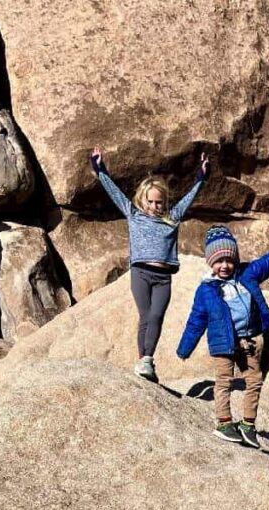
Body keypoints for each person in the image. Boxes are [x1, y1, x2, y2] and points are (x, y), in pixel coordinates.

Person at [90, 147, 209, 382]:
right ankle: (145, 360)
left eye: (159, 202)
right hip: (141, 273)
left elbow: (189, 199)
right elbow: (115, 193)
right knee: (147, 316)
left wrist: (201, 178)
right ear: (142, 199)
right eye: (151, 201)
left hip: (163, 276)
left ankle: (146, 359)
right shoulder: (134, 214)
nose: (155, 206)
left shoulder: (172, 218)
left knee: (156, 316)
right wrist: (100, 169)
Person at [176, 226, 269, 447]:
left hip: (249, 340)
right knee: (224, 382)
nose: (225, 265)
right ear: (210, 262)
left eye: (229, 260)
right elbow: (196, 321)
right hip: (224, 343)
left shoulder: (246, 274)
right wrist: (185, 349)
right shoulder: (206, 290)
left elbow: (268, 262)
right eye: (219, 260)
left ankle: (247, 424)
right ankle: (224, 422)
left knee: (255, 381)